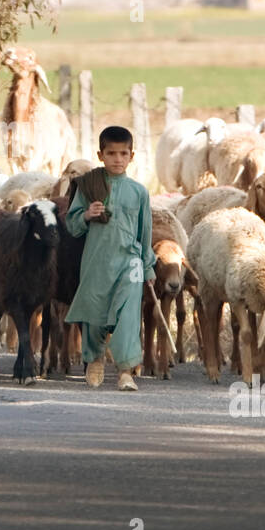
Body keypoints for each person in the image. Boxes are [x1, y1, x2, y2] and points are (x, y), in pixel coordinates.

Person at [64, 125, 156, 391]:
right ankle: (94, 359)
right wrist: (86, 214)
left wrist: (148, 267)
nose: (118, 159)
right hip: (97, 260)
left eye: (123, 153)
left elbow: (145, 231)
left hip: (131, 263)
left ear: (132, 156)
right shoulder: (90, 186)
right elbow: (72, 225)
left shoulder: (139, 192)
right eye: (111, 153)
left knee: (128, 315)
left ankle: (126, 370)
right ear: (101, 155)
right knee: (94, 310)